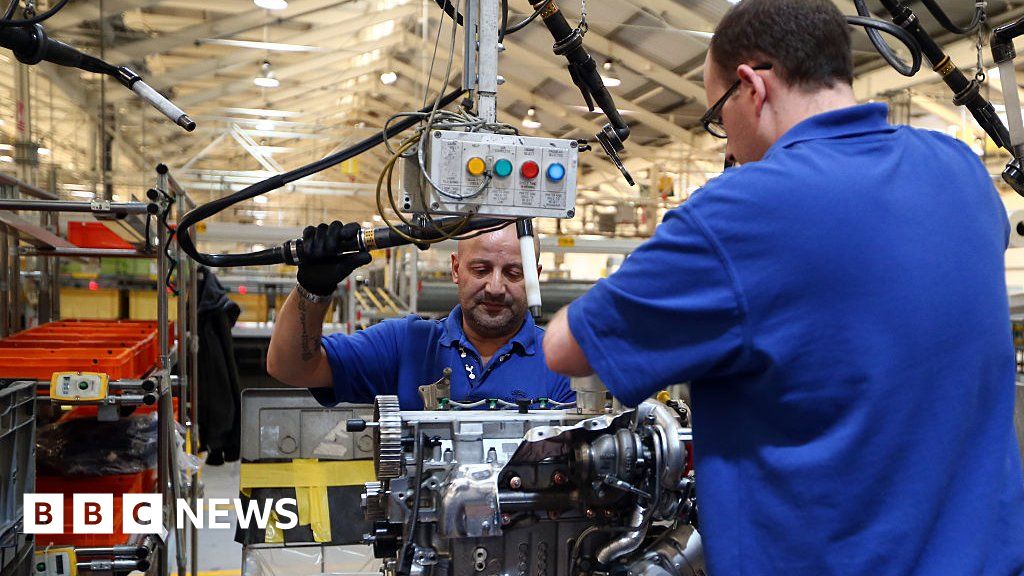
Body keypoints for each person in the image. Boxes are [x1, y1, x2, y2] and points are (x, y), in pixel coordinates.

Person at [543, 0, 1024, 573]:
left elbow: (565, 347)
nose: (726, 147)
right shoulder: (961, 171)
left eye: (719, 116)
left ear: (752, 87)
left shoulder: (736, 215)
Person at [267, 221, 573, 409]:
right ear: (456, 269)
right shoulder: (406, 343)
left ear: (535, 277)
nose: (495, 287)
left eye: (513, 273)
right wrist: (311, 291)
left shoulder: (563, 362)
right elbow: (291, 369)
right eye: (480, 269)